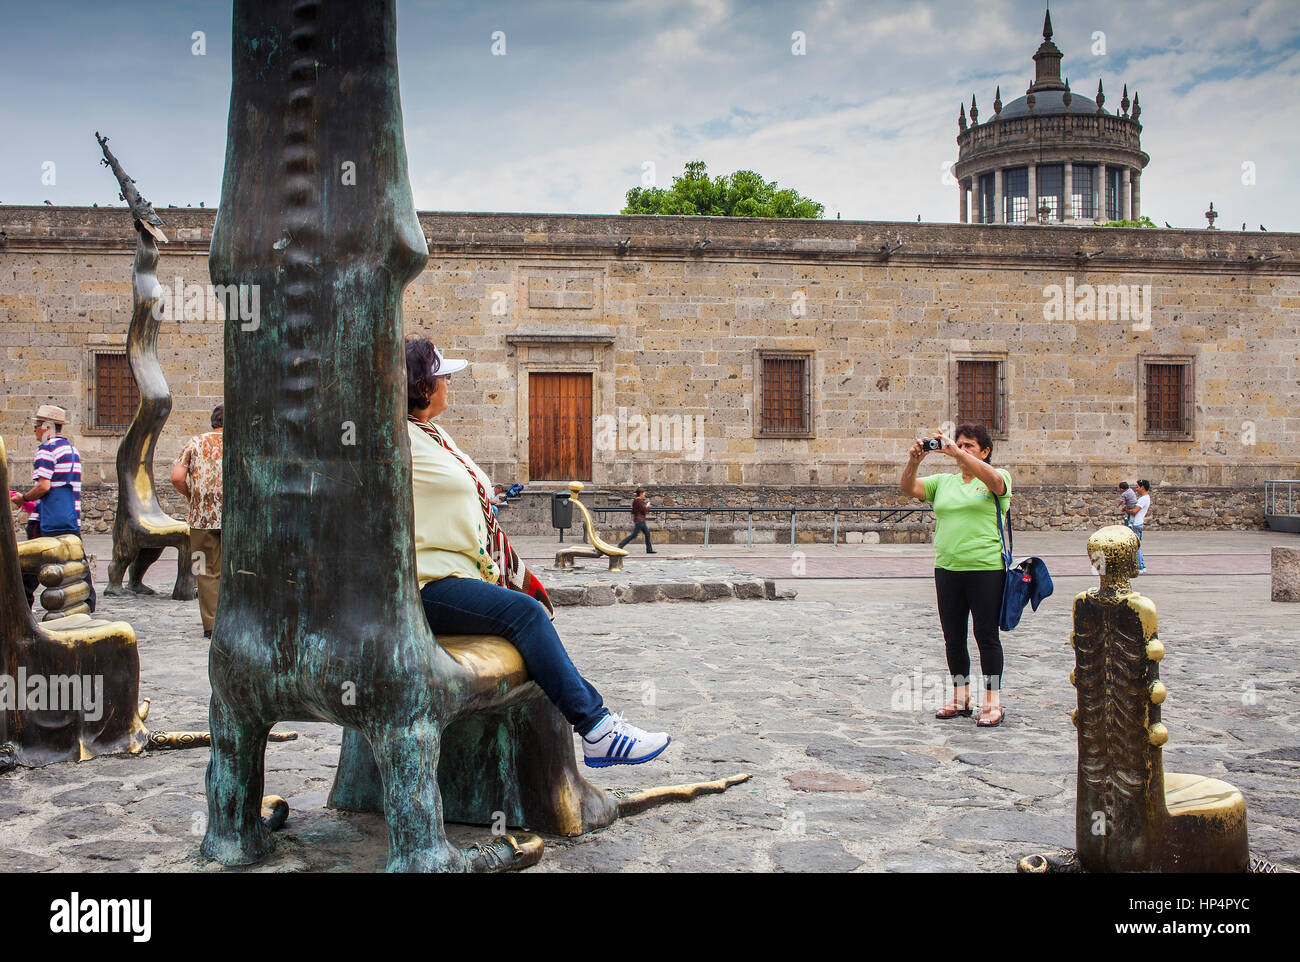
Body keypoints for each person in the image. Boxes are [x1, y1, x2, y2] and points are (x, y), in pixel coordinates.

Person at [404, 335, 671, 767]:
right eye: (443, 378)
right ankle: (597, 729)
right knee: (524, 615)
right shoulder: (396, 439)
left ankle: (587, 731)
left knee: (530, 619)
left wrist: (484, 500)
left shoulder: (434, 435)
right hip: (426, 583)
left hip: (459, 574)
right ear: (421, 385)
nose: (450, 385)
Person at [900, 423, 1011, 728]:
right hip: (948, 569)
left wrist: (959, 455)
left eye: (968, 446)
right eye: (958, 445)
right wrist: (914, 461)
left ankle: (992, 701)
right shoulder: (942, 483)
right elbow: (908, 488)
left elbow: (996, 482)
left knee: (986, 636)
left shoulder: (995, 479)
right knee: (953, 637)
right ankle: (961, 697)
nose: (961, 450)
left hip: (986, 569)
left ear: (985, 451)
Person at [11, 404, 95, 612]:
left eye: (37, 425)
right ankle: (86, 602)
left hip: (47, 520)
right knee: (77, 562)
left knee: (29, 567)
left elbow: (44, 486)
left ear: (47, 426)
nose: (35, 430)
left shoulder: (46, 450)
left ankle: (19, 608)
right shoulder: (72, 451)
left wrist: (23, 498)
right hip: (69, 518)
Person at [172, 404, 224, 638]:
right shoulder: (240, 442)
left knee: (204, 569)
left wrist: (192, 495)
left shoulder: (195, 442)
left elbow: (177, 477)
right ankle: (232, 619)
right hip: (232, 516)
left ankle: (211, 624)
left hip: (201, 519)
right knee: (230, 568)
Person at [616, 487, 655, 553]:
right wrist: (648, 507)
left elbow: (634, 510)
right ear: (640, 494)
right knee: (634, 535)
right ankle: (621, 544)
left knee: (647, 533)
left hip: (639, 519)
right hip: (640, 520)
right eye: (643, 493)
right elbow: (644, 510)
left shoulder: (635, 500)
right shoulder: (639, 501)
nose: (644, 494)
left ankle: (649, 550)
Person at [1125, 479, 1151, 574]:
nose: (1137, 489)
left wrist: (1127, 510)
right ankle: (1142, 566)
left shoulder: (1143, 499)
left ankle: (1139, 567)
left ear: (1142, 487)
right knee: (1136, 545)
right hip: (1137, 523)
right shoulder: (1144, 498)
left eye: (1138, 487)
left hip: (1136, 524)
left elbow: (1135, 511)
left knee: (1136, 546)